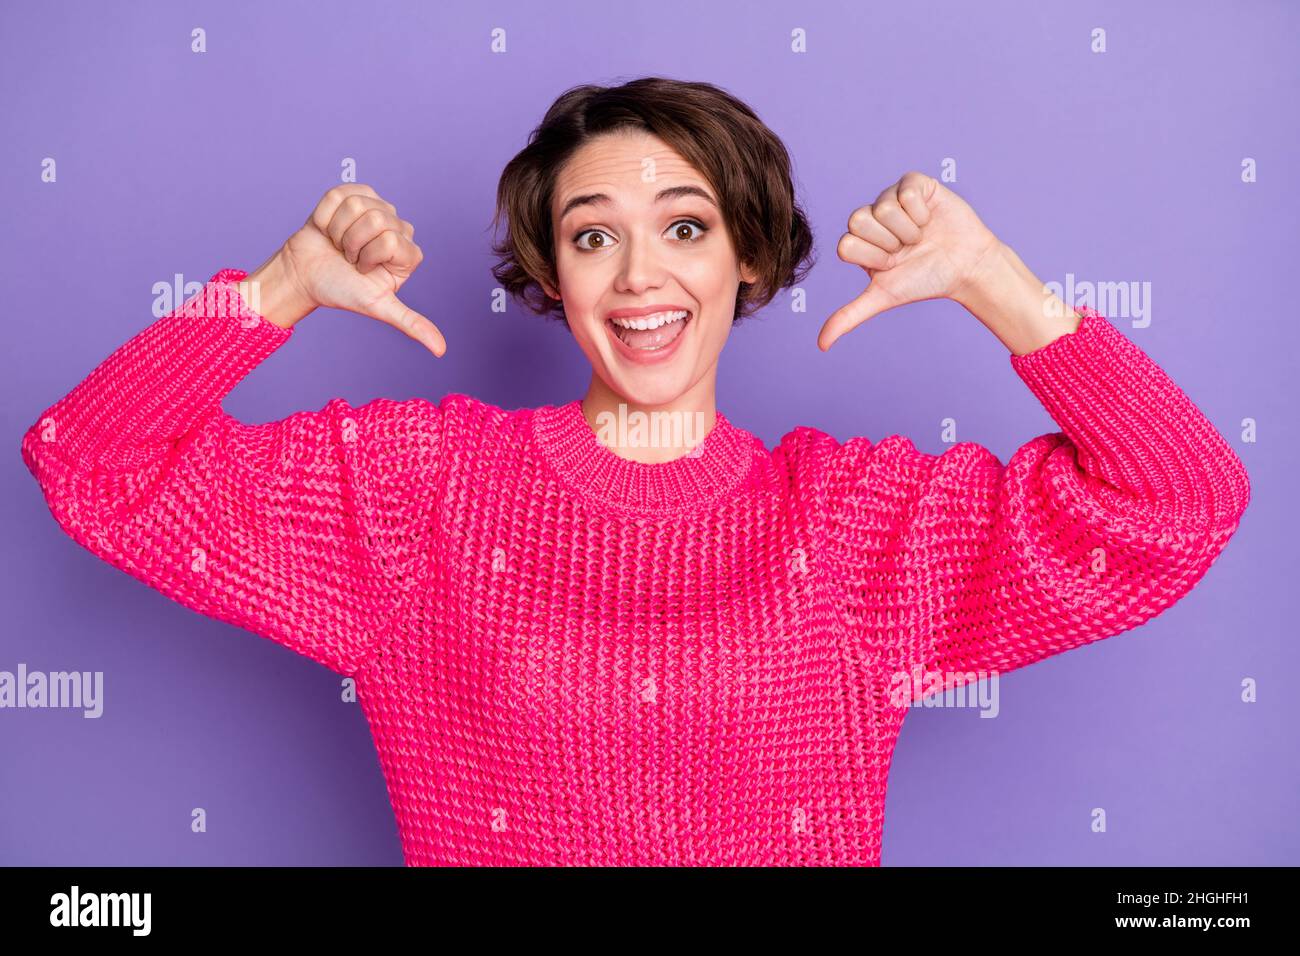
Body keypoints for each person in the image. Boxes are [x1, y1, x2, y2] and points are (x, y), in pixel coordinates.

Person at [20, 76, 1251, 866]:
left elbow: (1179, 499)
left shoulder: (854, 522)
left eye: (685, 225)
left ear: (748, 260)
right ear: (552, 280)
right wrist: (280, 288)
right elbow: (90, 460)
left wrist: (997, 283)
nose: (639, 276)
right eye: (592, 234)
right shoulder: (422, 489)